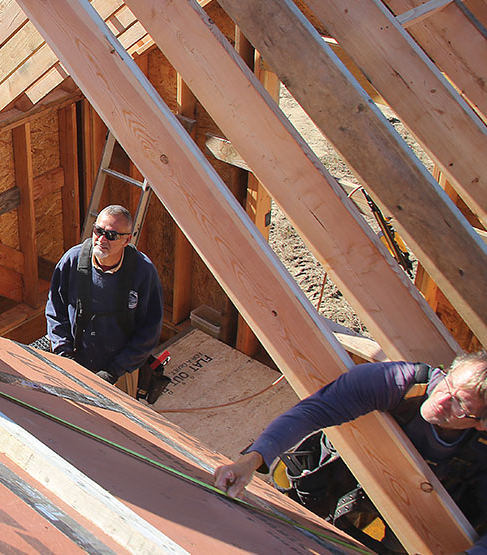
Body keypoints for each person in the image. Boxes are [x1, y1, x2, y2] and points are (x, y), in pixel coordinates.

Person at [213, 354, 487, 553]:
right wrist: (252, 460)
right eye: (448, 386)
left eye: (459, 405)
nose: (440, 401)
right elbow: (314, 411)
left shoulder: (480, 448)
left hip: (421, 514)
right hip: (346, 478)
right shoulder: (401, 383)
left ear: (481, 422)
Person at [45, 204, 164, 393]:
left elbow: (150, 330)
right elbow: (55, 311)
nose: (101, 239)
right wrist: (65, 356)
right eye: (98, 231)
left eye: (111, 235)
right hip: (75, 365)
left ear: (127, 240)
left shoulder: (143, 272)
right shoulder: (73, 261)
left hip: (120, 373)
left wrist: (113, 372)